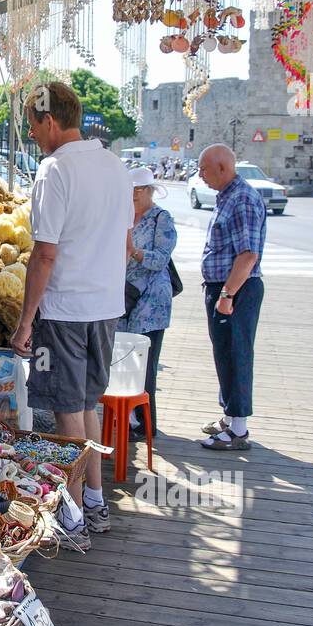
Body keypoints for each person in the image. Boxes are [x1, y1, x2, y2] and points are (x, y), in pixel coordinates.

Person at [10, 81, 134, 547]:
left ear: (50, 120)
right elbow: (126, 245)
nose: (33, 135)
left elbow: (44, 254)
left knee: (67, 415)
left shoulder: (54, 169)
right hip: (104, 308)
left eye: (33, 126)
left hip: (63, 310)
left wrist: (26, 320)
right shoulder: (116, 167)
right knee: (87, 406)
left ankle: (75, 514)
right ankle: (96, 502)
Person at [197, 143, 266, 449]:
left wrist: (227, 294)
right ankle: (230, 416)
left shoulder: (242, 198)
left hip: (236, 288)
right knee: (224, 353)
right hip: (226, 288)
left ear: (223, 167)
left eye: (204, 169)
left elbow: (248, 254)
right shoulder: (228, 195)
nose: (200, 176)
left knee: (236, 354)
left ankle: (238, 429)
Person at [117, 166, 178, 439]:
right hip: (125, 298)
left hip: (151, 303)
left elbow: (161, 258)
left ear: (147, 192)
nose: (132, 198)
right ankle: (127, 417)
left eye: (136, 193)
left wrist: (135, 252)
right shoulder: (124, 216)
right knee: (124, 363)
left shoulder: (161, 219)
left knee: (147, 366)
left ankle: (145, 422)